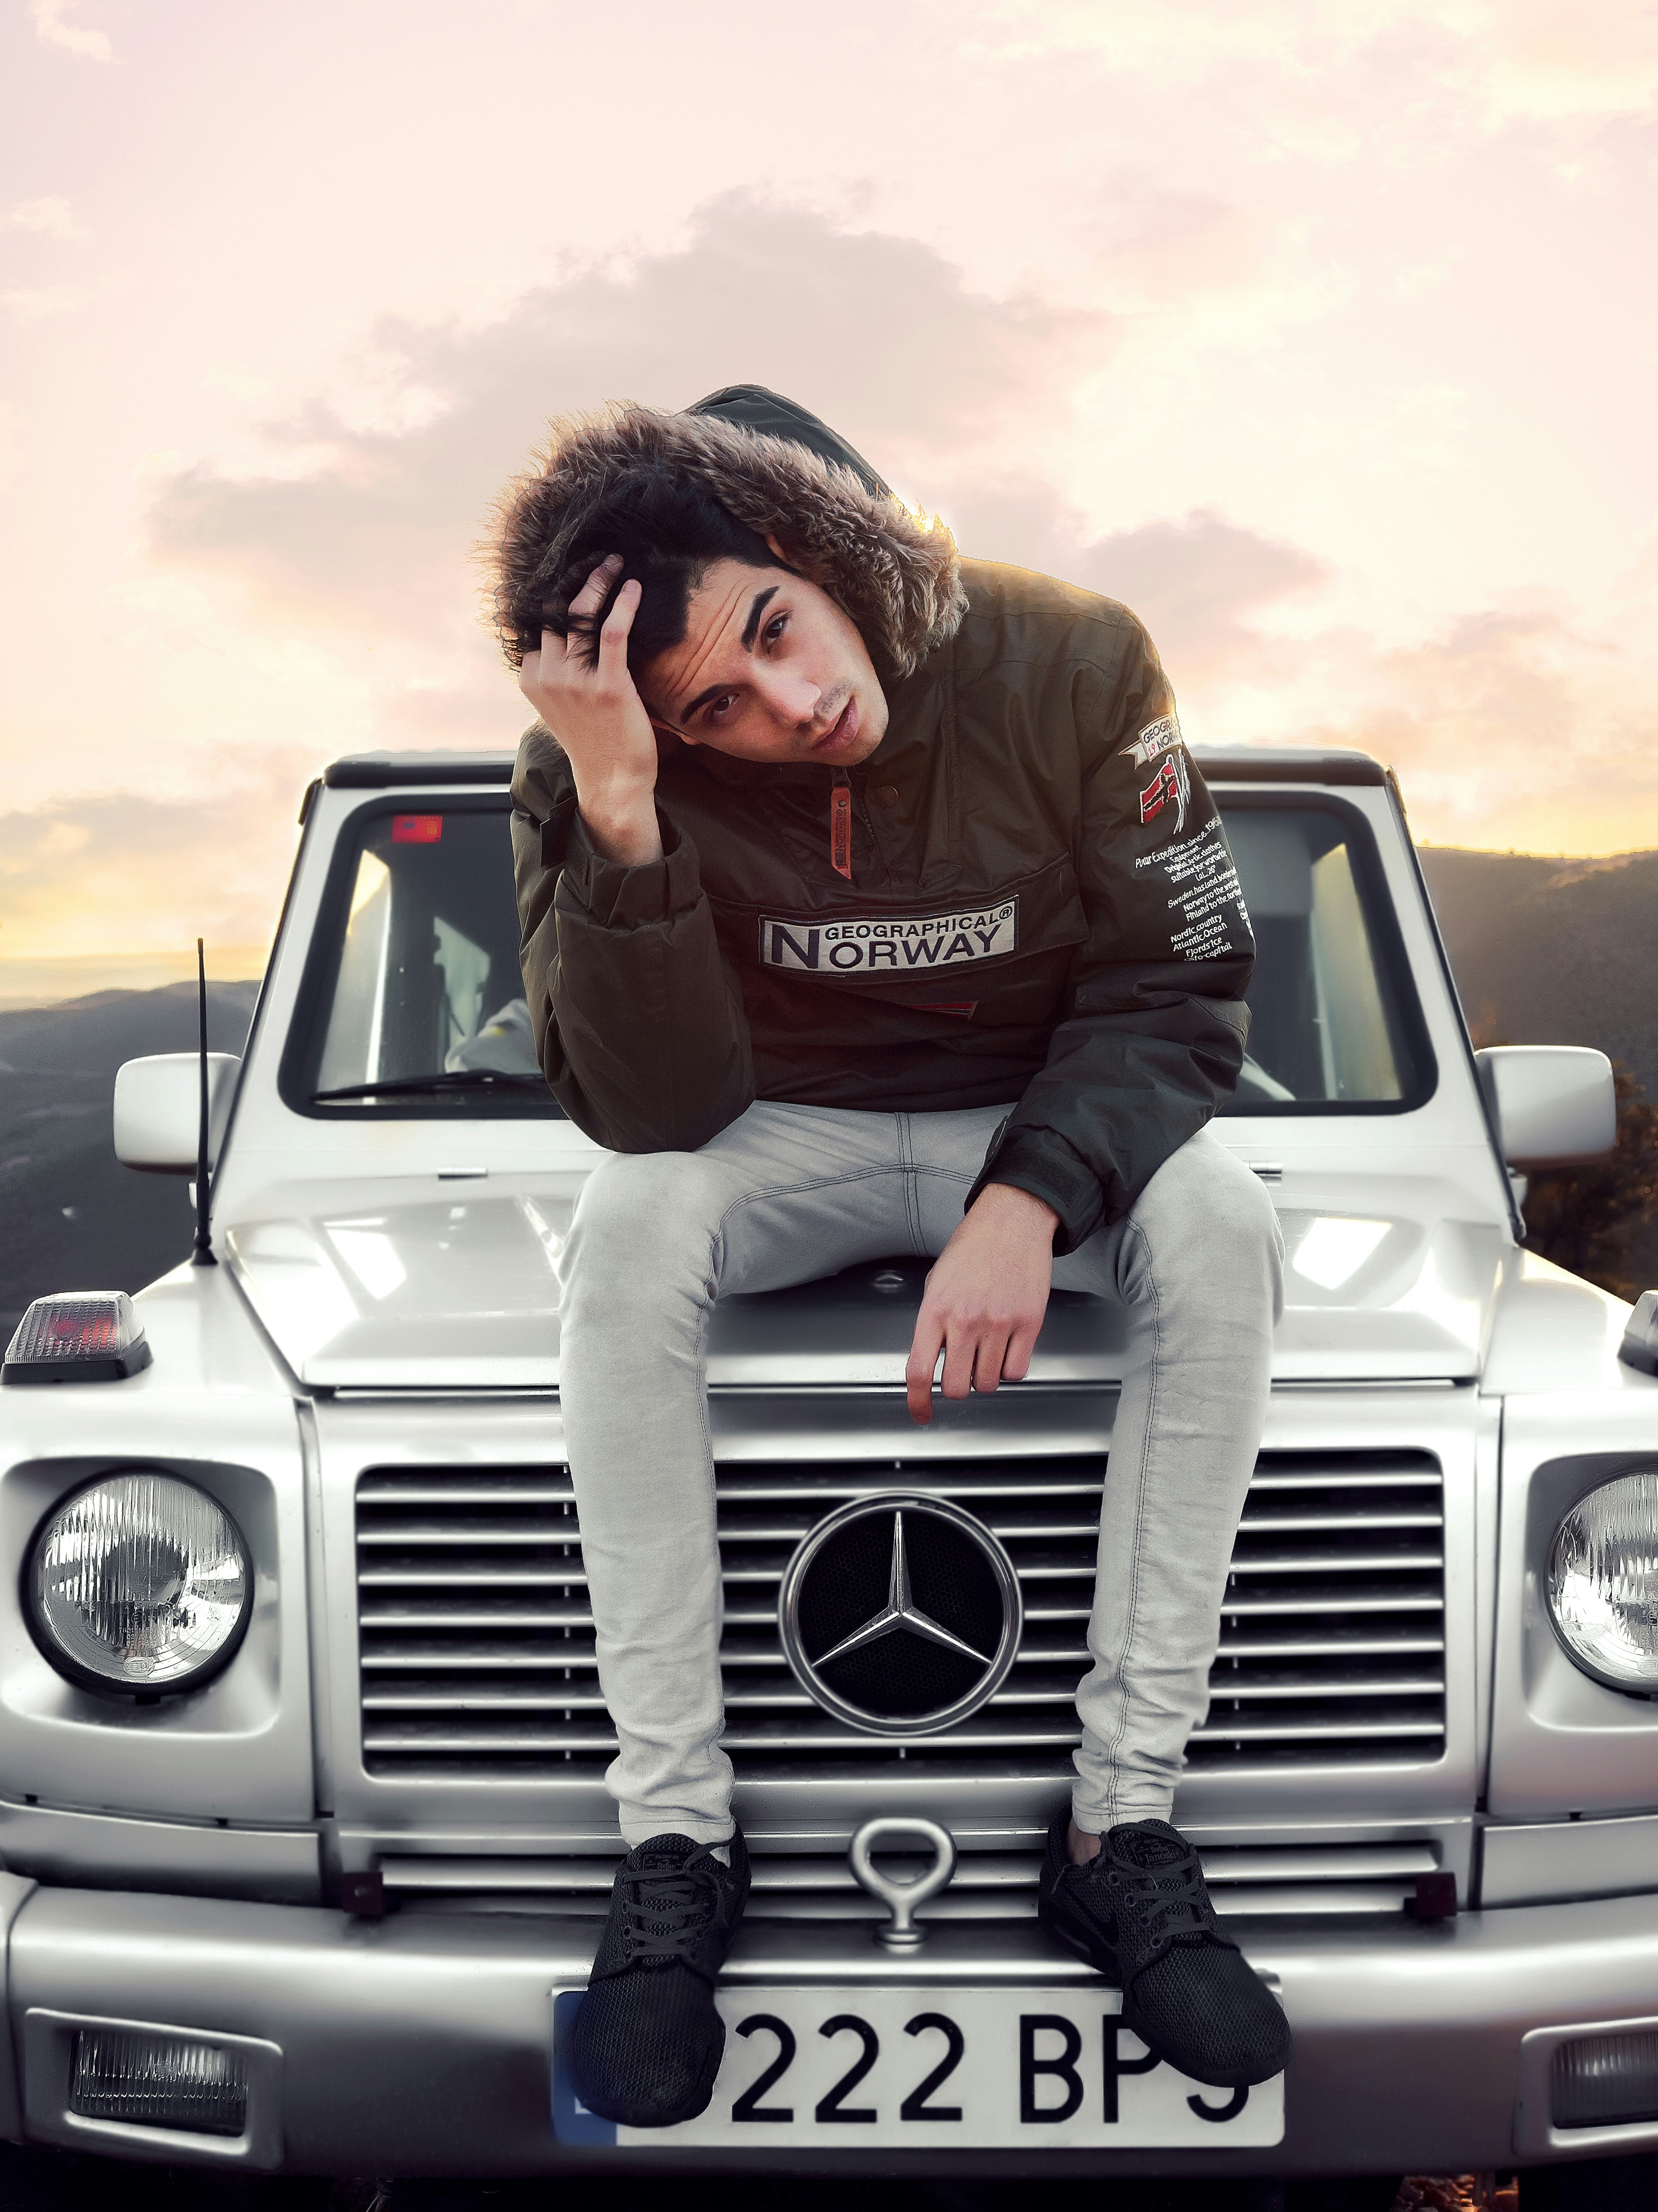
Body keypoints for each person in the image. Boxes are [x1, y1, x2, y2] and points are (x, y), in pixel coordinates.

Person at [490, 386, 1289, 2129]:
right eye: (717, 704)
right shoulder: (592, 770)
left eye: (776, 632)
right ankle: (675, 1844)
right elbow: (653, 1109)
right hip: (784, 1133)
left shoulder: (1074, 657)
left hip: (1042, 1117)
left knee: (1224, 1224)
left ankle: (1119, 1823)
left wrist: (1030, 1197)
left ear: (815, 549)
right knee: (624, 1232)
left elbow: (1180, 984)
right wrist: (624, 802)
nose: (788, 708)